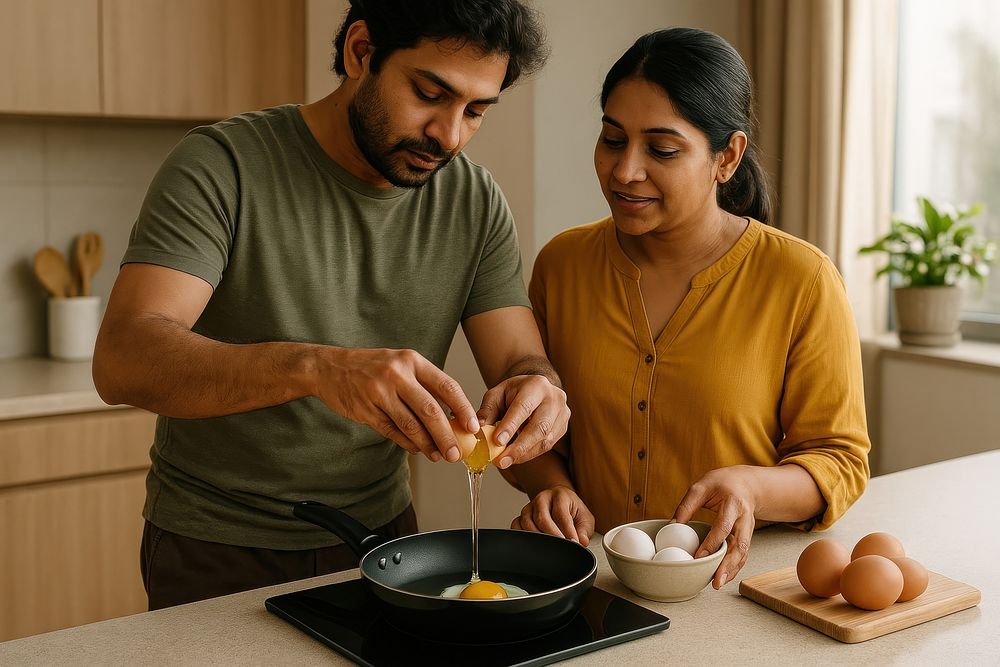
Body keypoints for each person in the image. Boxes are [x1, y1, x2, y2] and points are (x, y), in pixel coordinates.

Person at [92, 0, 569, 610]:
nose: (449, 135)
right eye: (429, 93)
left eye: (476, 111)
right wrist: (318, 369)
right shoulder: (222, 166)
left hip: (385, 539)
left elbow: (520, 358)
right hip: (216, 545)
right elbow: (123, 359)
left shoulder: (474, 202)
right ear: (360, 51)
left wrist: (539, 388)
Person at [503, 27, 870, 589]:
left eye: (662, 149)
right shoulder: (563, 265)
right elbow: (532, 425)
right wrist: (549, 487)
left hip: (736, 591)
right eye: (611, 139)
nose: (625, 171)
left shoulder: (802, 279)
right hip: (595, 585)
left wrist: (752, 488)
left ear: (727, 157)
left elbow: (840, 461)